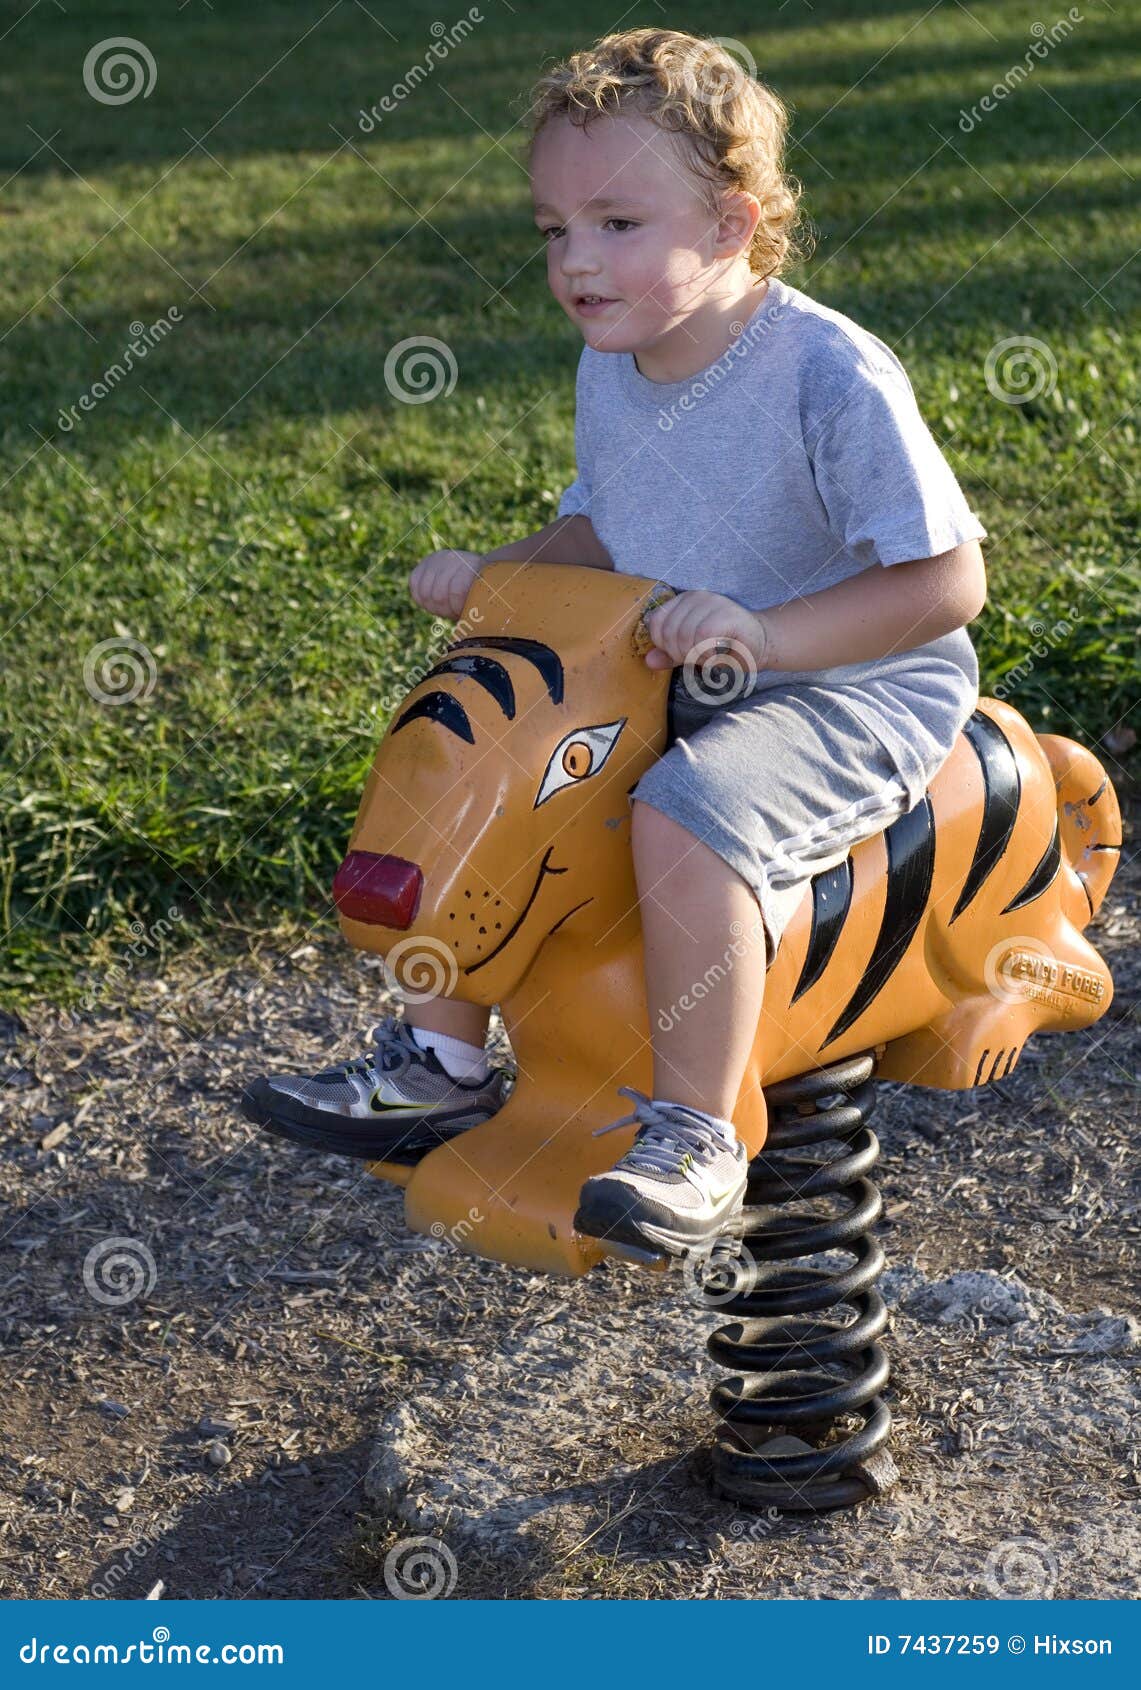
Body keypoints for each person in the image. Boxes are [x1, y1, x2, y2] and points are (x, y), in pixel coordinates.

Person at [244, 28, 987, 1260]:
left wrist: (763, 631)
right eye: (553, 230)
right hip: (690, 658)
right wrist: (505, 577)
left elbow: (946, 581)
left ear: (732, 225)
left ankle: (697, 1134)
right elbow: (613, 523)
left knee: (686, 811)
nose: (575, 262)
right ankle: (440, 1058)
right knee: (492, 743)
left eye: (616, 225)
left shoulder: (826, 373)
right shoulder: (622, 361)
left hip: (850, 680)